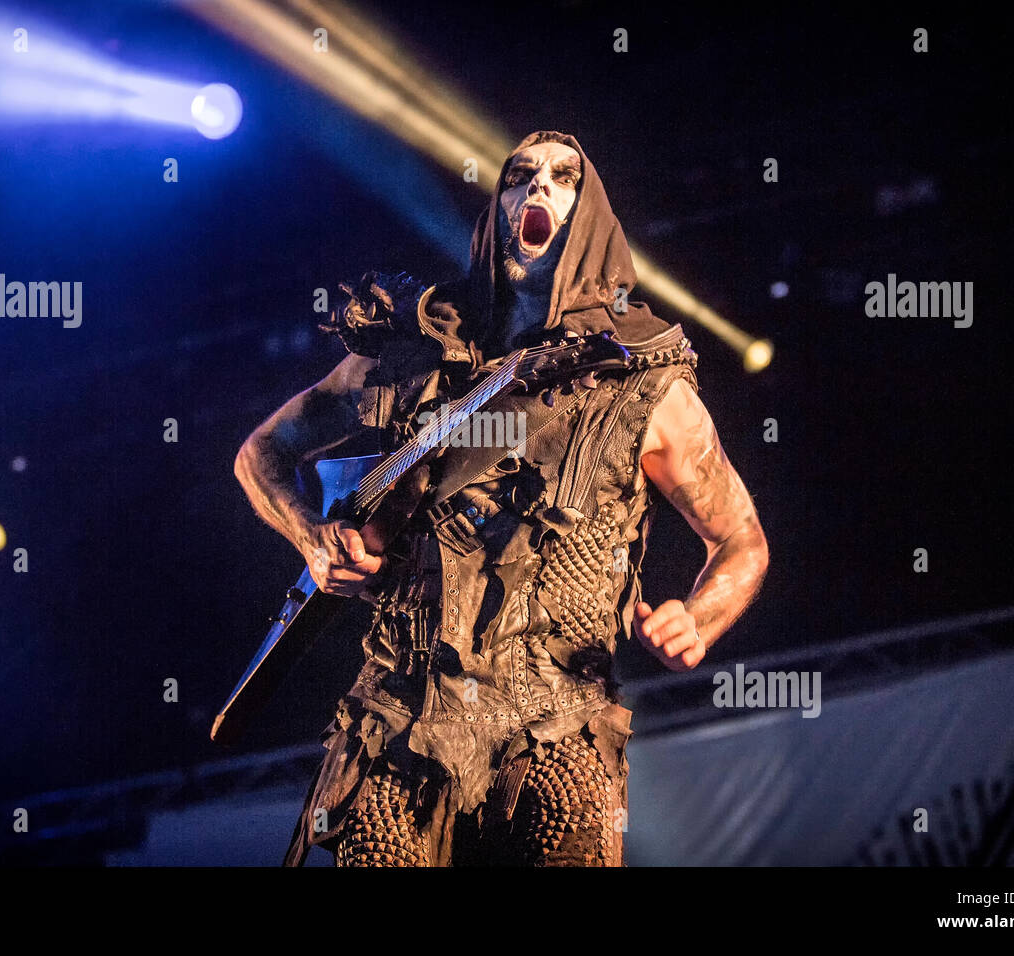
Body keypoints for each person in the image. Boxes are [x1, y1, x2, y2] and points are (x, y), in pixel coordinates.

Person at [234, 131, 769, 866]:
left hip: (559, 726)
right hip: (398, 721)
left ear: (591, 216)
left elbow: (742, 540)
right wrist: (310, 538)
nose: (538, 188)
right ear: (499, 206)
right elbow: (262, 451)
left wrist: (699, 617)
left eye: (562, 177)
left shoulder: (644, 382)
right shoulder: (408, 352)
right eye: (520, 176)